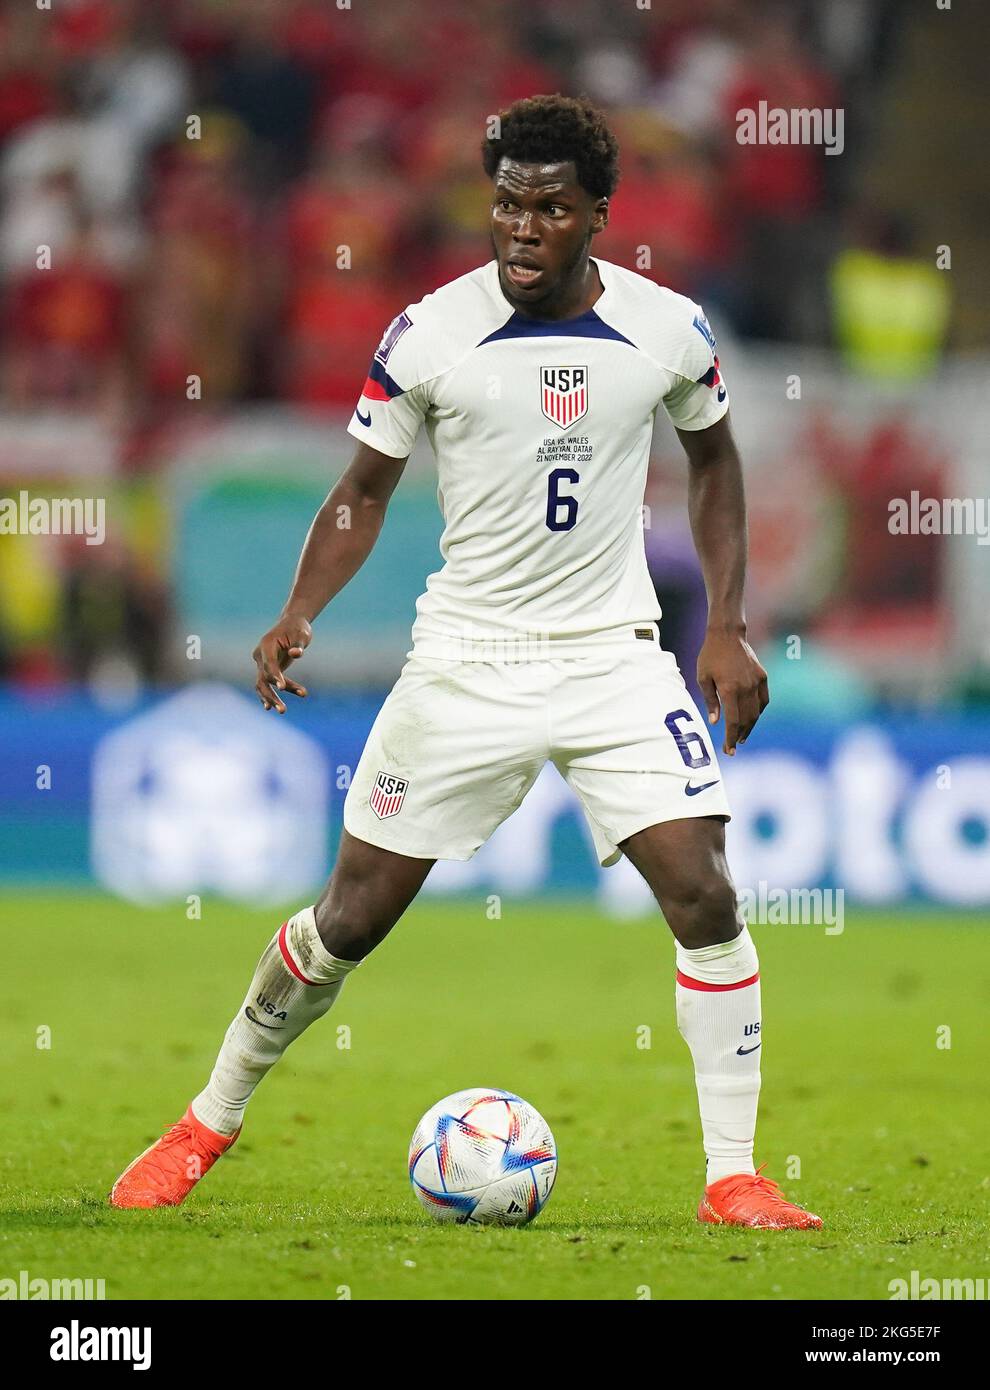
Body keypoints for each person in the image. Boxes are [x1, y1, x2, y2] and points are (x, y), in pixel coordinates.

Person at [111, 94, 819, 1230]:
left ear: (597, 213)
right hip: (466, 660)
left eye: (548, 207)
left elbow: (716, 463)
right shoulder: (429, 333)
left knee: (703, 889)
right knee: (350, 918)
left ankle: (732, 1174)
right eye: (505, 204)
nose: (521, 228)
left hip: (612, 655)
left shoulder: (670, 328)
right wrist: (300, 608)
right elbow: (360, 492)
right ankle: (206, 1120)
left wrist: (725, 624)